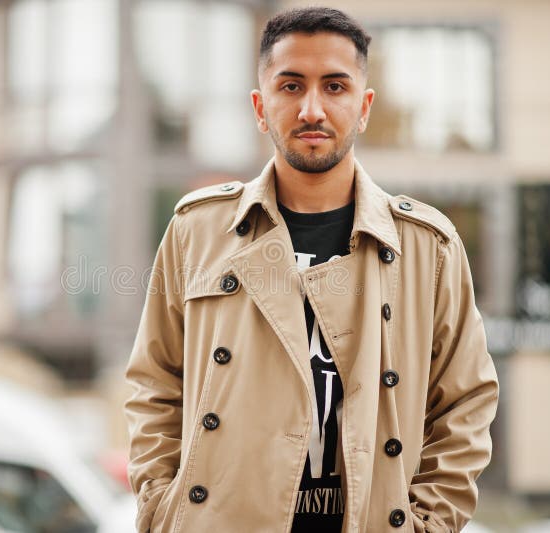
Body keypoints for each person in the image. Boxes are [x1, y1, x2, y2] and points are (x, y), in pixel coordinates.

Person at [124, 6, 499, 533]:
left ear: (365, 107)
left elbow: (466, 403)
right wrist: (164, 509)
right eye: (292, 86)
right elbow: (154, 383)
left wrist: (428, 524)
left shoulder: (426, 248)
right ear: (260, 106)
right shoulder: (197, 231)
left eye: (335, 87)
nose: (312, 109)